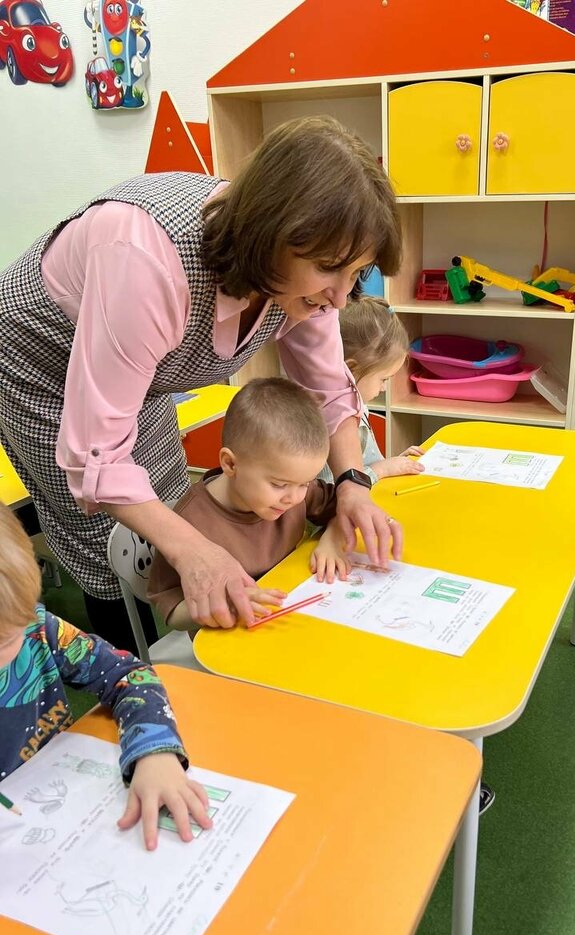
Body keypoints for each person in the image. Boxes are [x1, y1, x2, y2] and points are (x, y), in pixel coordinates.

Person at [0, 115, 402, 650]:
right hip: (39, 362)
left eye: (356, 274)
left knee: (171, 511)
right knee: (112, 545)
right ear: (271, 237)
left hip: (137, 362)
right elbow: (95, 457)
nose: (340, 297)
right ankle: (128, 670)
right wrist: (192, 551)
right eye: (331, 269)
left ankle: (182, 642)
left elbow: (329, 389)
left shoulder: (305, 275)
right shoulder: (145, 260)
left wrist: (353, 482)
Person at [0, 502, 212, 850]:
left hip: (69, 799)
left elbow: (129, 675)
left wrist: (153, 752)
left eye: (7, 640)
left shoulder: (36, 630)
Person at [148, 378, 350, 631]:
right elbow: (170, 610)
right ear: (231, 464)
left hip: (288, 619)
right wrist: (225, 604)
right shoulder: (189, 522)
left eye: (305, 483)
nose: (294, 498)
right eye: (279, 484)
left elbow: (344, 507)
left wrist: (332, 539)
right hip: (231, 637)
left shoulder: (291, 488)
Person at [317, 296, 425, 485]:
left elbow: (364, 465)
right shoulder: (327, 424)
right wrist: (382, 469)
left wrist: (394, 464)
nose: (384, 388)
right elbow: (328, 490)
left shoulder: (359, 406)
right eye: (383, 379)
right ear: (350, 370)